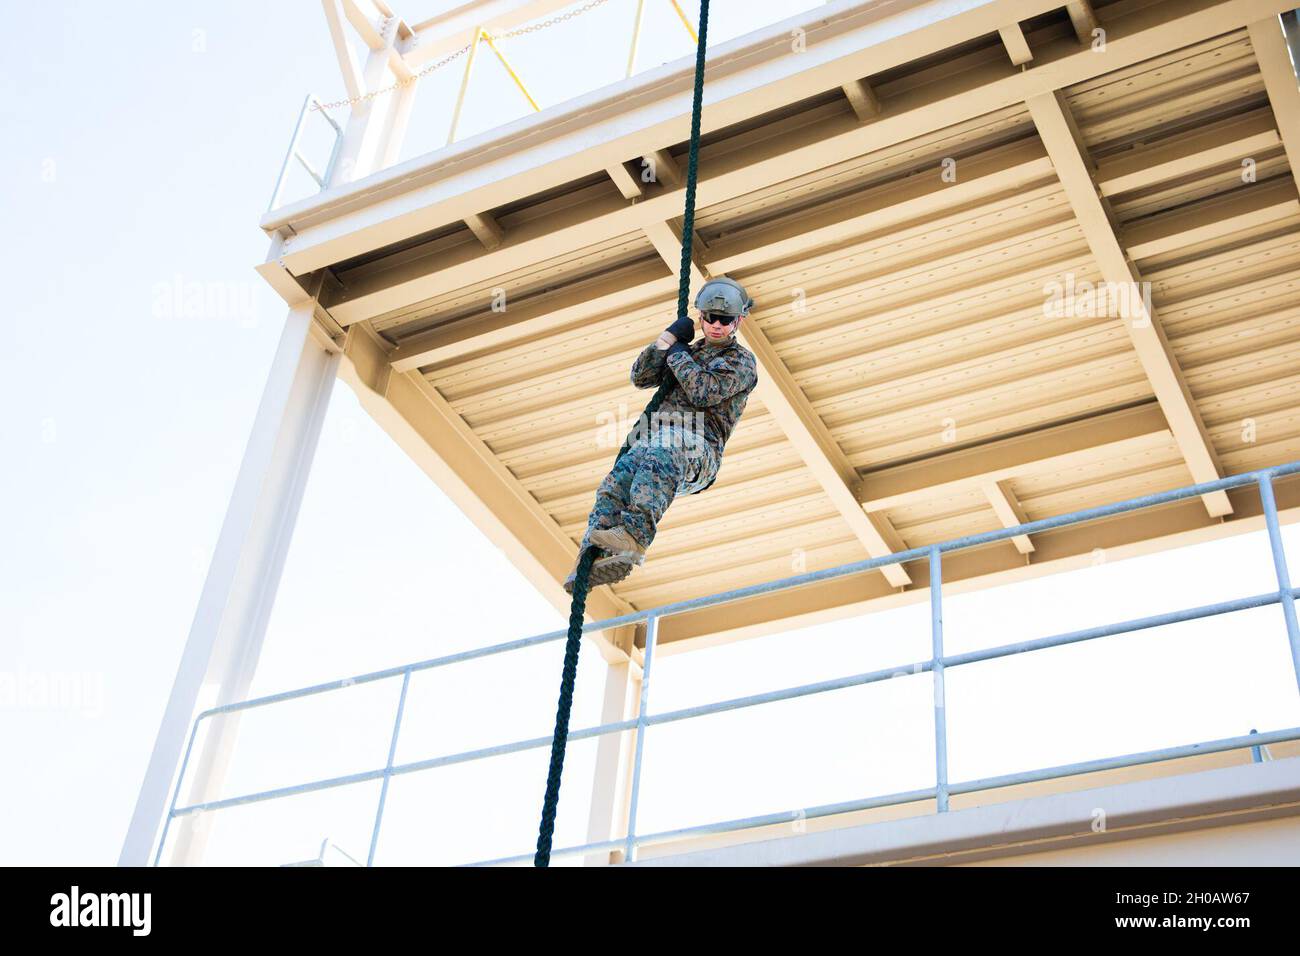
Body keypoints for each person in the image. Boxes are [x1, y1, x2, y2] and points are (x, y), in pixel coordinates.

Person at [564, 277, 759, 594]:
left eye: (725, 320)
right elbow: (641, 377)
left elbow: (702, 391)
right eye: (710, 317)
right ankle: (592, 554)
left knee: (664, 447)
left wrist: (679, 354)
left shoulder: (741, 362)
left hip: (696, 451)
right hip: (655, 440)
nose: (717, 325)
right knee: (615, 484)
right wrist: (667, 340)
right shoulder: (688, 352)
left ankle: (634, 538)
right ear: (701, 317)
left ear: (737, 321)